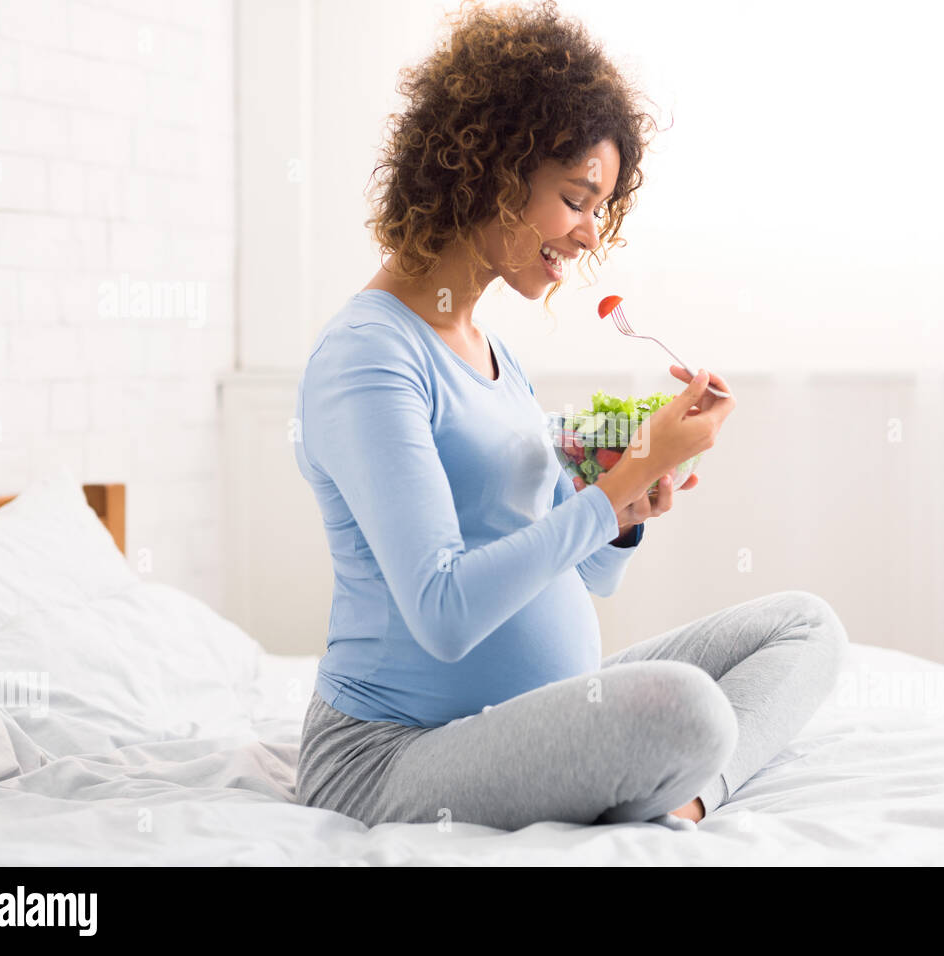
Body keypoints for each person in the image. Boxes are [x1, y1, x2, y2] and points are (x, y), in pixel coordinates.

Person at [293, 0, 848, 831]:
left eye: (601, 209)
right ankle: (671, 775)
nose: (591, 234)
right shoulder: (369, 356)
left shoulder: (490, 351)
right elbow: (443, 614)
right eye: (576, 198)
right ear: (490, 166)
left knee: (806, 627)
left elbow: (584, 576)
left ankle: (688, 799)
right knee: (690, 711)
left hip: (532, 711)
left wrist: (622, 513)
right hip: (393, 754)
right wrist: (621, 477)